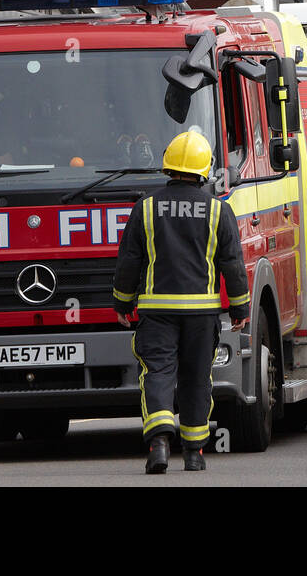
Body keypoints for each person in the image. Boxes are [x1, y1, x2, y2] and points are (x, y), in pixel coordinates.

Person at [113, 131, 250, 474]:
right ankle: (194, 453)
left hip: (156, 311)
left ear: (168, 165)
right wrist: (240, 308)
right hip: (201, 314)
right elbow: (231, 264)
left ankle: (159, 443)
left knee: (157, 372)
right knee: (197, 377)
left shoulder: (144, 208)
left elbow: (129, 261)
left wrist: (122, 302)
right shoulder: (219, 210)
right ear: (205, 169)